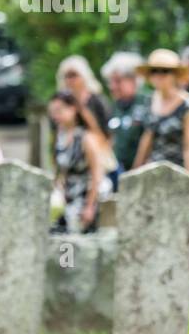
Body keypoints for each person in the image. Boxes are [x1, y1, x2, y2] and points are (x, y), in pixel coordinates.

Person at [47, 91, 111, 234]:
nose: (55, 115)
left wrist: (90, 206)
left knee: (74, 242)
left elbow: (97, 174)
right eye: (52, 112)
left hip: (86, 198)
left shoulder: (86, 138)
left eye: (59, 110)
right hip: (68, 198)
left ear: (73, 109)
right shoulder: (60, 136)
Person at [133, 49, 189, 171]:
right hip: (152, 172)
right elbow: (146, 139)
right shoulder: (149, 100)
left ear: (175, 75)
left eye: (164, 71)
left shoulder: (187, 105)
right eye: (154, 71)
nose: (159, 76)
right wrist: (136, 170)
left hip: (178, 173)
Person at [100, 52, 150, 178]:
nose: (112, 87)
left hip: (143, 173)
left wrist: (136, 171)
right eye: (110, 82)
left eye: (117, 81)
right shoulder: (114, 107)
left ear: (133, 80)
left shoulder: (147, 103)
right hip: (118, 173)